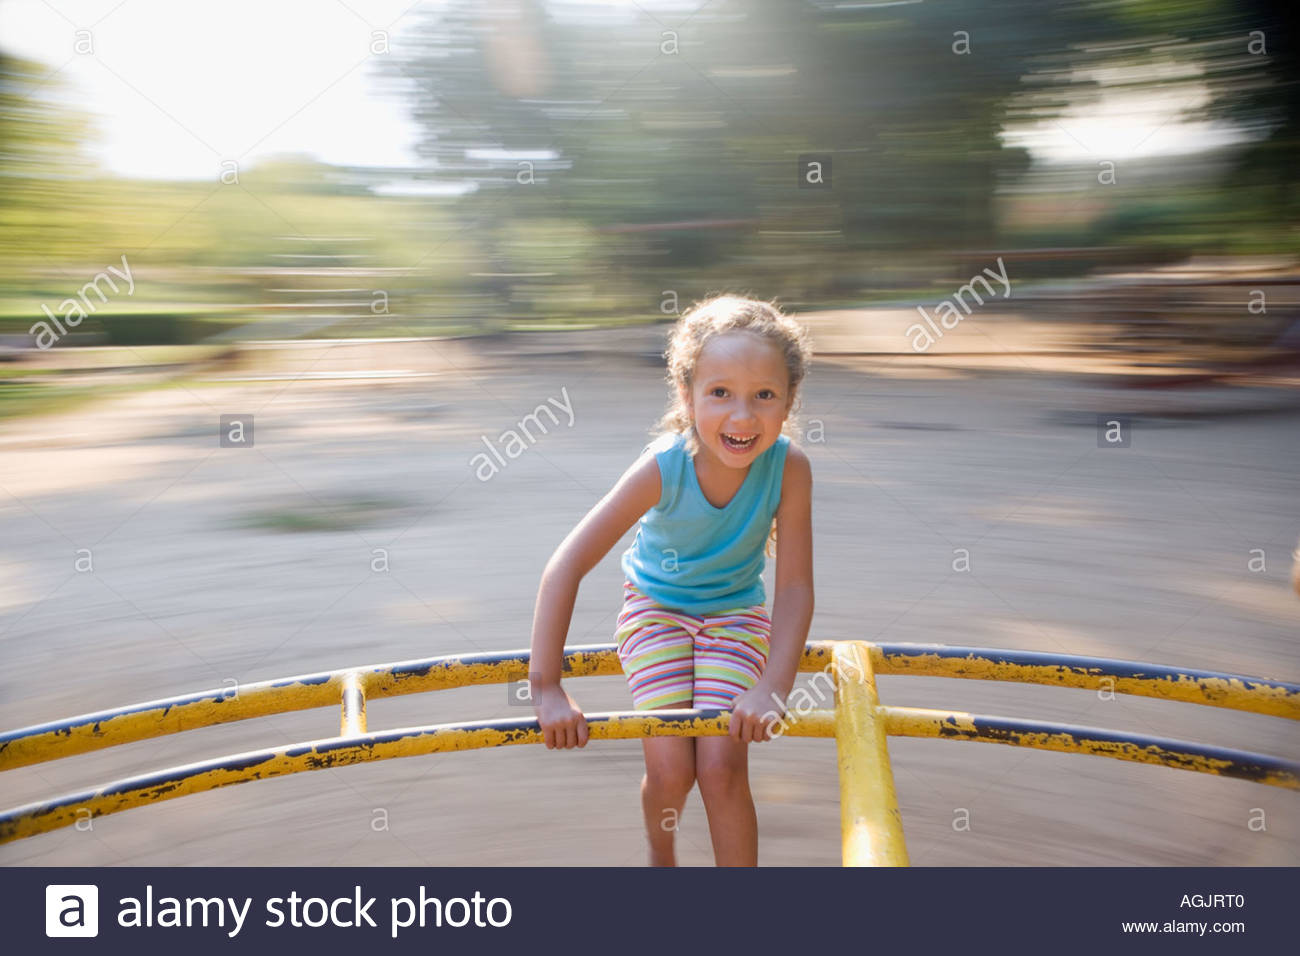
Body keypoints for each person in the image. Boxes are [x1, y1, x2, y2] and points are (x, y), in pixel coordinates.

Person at [528, 295, 815, 866]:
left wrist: (773, 686)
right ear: (687, 398)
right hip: (655, 609)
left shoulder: (790, 468)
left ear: (788, 403)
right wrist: (546, 687)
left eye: (764, 395)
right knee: (671, 770)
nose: (742, 416)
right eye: (720, 393)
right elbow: (567, 563)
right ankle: (663, 857)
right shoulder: (663, 466)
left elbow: (794, 589)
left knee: (721, 767)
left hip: (734, 616)